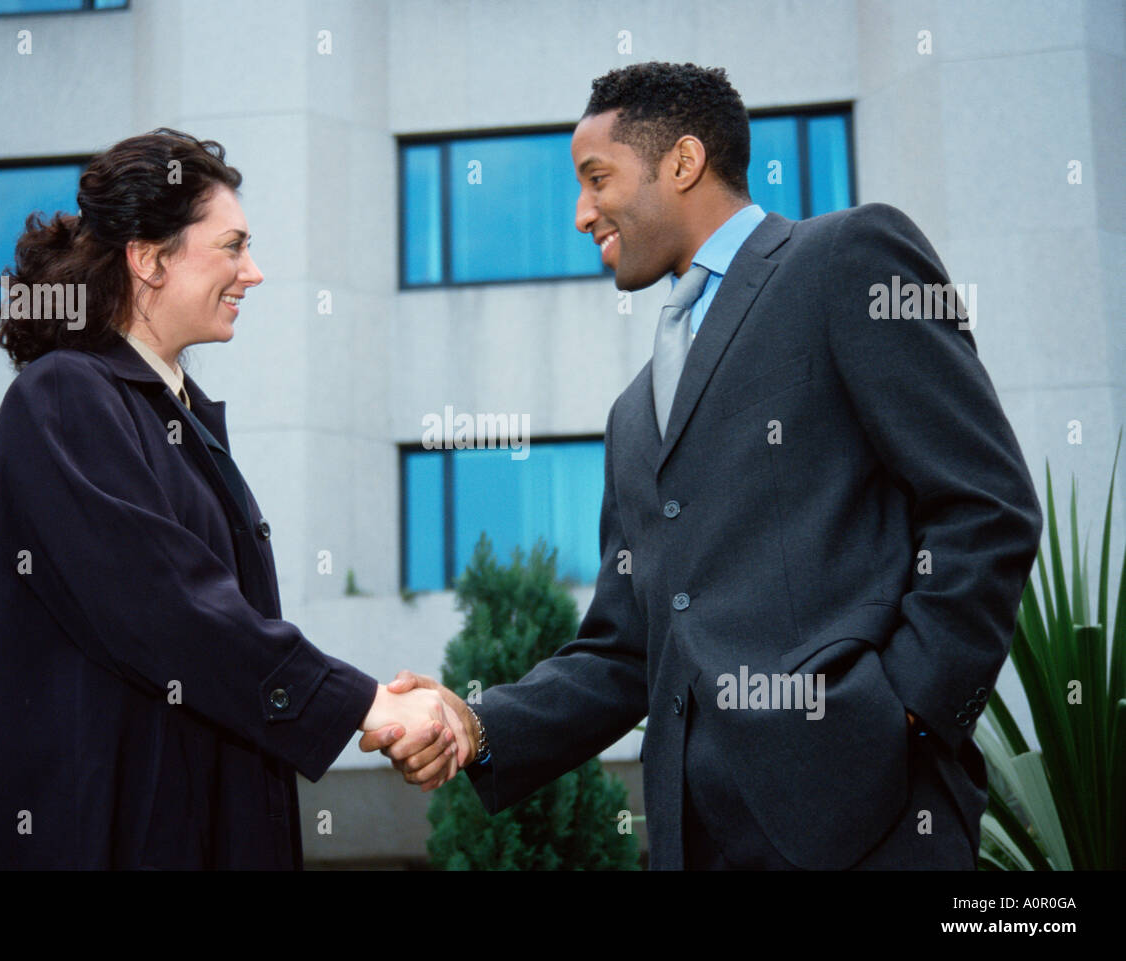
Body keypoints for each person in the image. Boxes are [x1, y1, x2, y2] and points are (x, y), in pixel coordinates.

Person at [364, 62, 1043, 870]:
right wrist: (477, 723)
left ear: (682, 163)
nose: (581, 213)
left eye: (597, 178)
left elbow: (986, 505)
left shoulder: (845, 258)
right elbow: (626, 649)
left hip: (875, 824)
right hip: (696, 841)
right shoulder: (632, 412)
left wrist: (898, 717)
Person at [0, 128, 464, 870]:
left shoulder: (166, 415)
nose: (253, 272)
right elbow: (165, 604)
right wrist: (365, 704)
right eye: (232, 246)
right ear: (149, 258)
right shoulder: (63, 397)